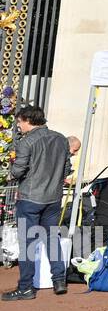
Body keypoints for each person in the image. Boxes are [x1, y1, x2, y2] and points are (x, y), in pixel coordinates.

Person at [4, 105, 71, 300]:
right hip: (53, 197)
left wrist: (12, 172)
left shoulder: (28, 142)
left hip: (31, 197)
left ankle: (26, 287)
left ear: (28, 120)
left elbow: (18, 171)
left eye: (20, 122)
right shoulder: (60, 138)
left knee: (28, 243)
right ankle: (59, 280)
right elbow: (66, 168)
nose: (19, 125)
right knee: (52, 238)